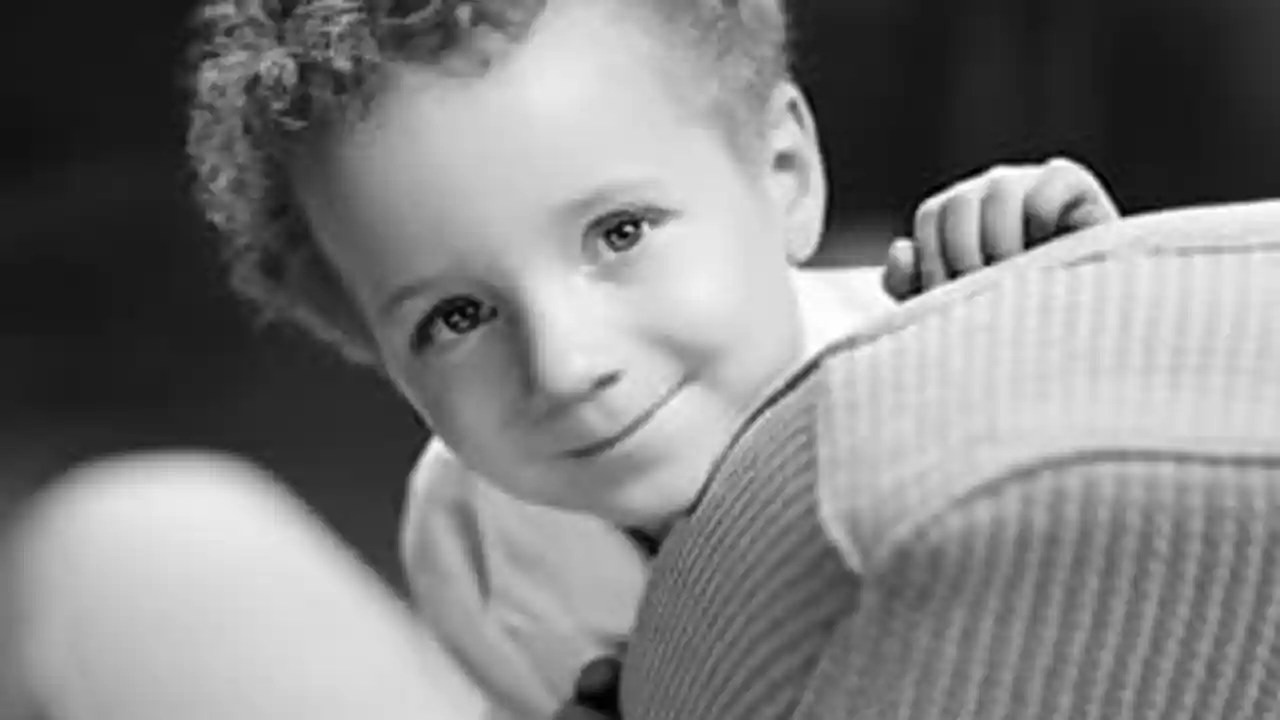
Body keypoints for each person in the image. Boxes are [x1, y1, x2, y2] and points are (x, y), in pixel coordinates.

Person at [4, 0, 1119, 718]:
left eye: (619, 233)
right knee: (133, 541)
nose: (565, 363)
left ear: (782, 172)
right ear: (375, 356)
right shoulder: (470, 536)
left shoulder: (964, 332)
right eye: (454, 317)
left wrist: (1102, 284)